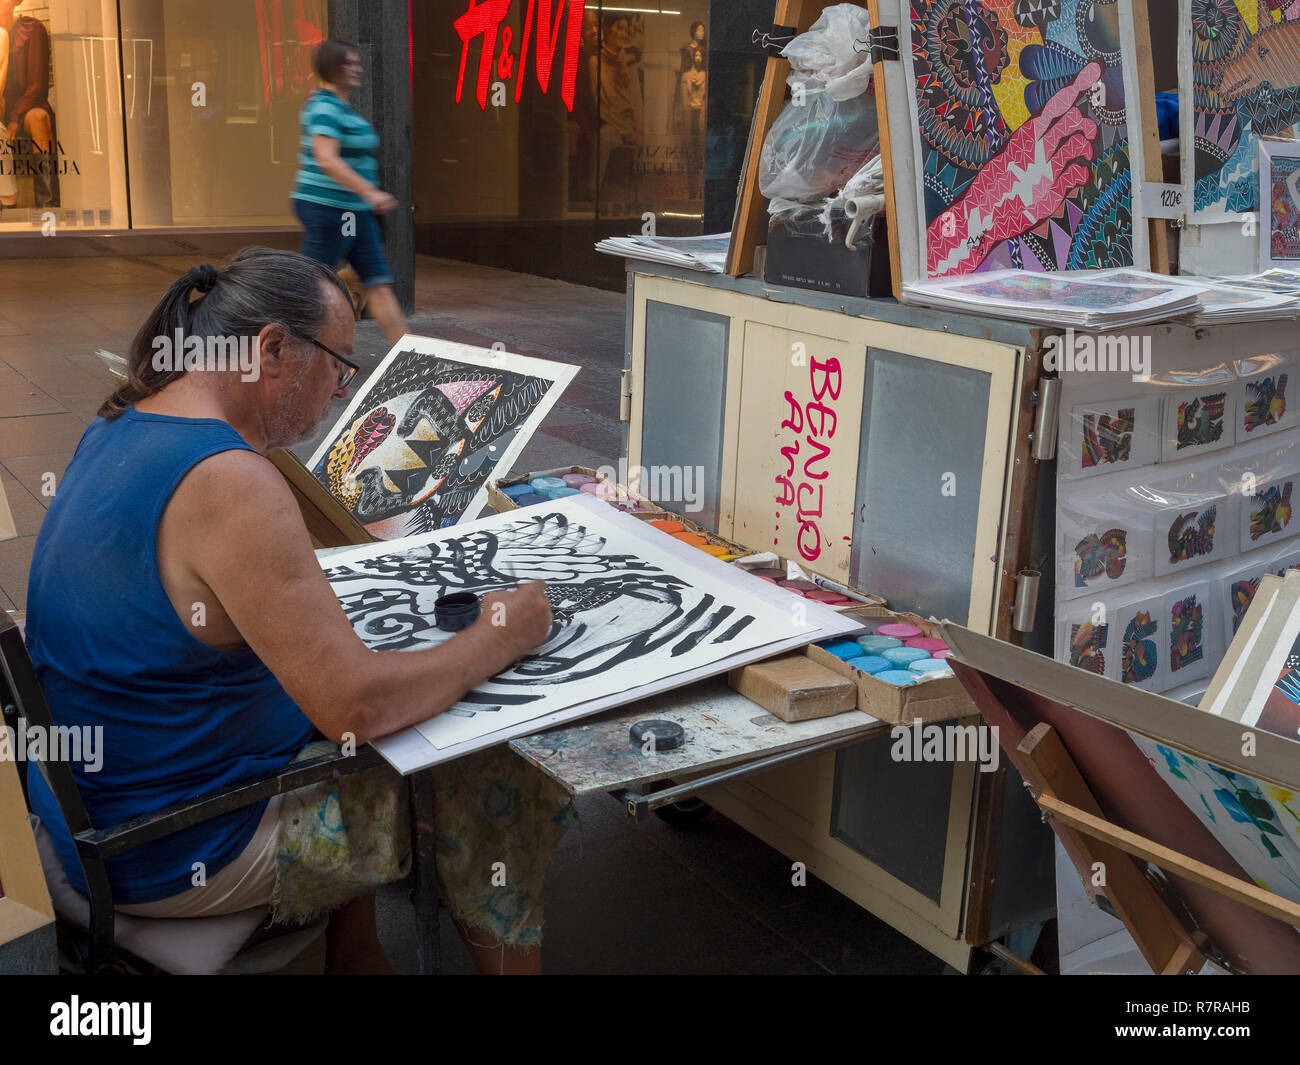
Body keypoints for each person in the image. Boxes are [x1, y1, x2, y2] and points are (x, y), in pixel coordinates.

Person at [25, 247, 574, 974]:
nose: (343, 393)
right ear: (272, 349)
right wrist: (502, 635)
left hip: (84, 813)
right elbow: (355, 707)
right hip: (168, 848)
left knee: (354, 688)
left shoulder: (122, 422)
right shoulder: (232, 481)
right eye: (339, 365)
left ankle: (355, 955)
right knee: (484, 762)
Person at [291, 39, 407, 346]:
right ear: (333, 67)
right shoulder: (325, 108)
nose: (357, 67)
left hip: (354, 209)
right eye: (350, 62)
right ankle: (288, 347)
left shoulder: (340, 107)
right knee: (314, 287)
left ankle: (409, 354)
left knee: (378, 283)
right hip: (329, 208)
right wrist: (370, 192)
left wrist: (365, 196)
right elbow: (327, 159)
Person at [0, 0, 57, 208]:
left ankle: (48, 205)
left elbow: (37, 86)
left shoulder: (33, 29)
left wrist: (15, 118)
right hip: (1, 107)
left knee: (39, 119)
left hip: (27, 106)